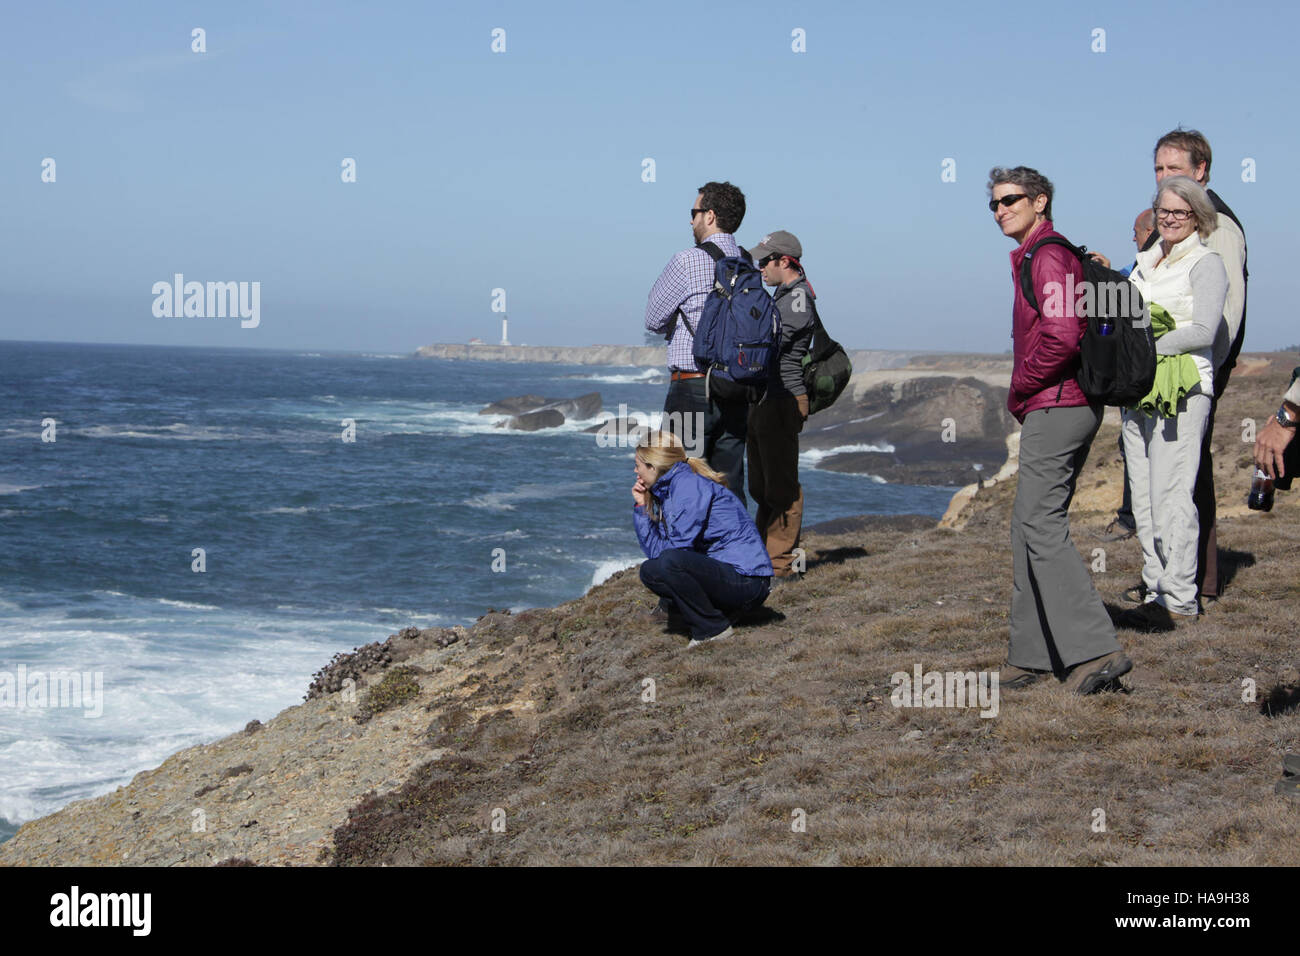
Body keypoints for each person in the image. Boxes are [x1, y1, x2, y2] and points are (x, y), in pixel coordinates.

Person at [987, 166, 1132, 694]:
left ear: (1040, 201)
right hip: (1060, 403)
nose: (1001, 209)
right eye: (995, 203)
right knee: (1027, 525)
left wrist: (1020, 386)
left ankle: (1095, 651)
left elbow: (1063, 335)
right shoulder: (1037, 254)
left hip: (1058, 404)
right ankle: (1032, 654)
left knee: (1041, 526)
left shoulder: (1047, 254)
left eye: (1011, 200)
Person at [1116, 176, 1227, 632]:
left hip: (1183, 389)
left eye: (1181, 213)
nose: (1171, 219)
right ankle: (1155, 587)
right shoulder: (1144, 263)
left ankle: (1180, 598)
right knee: (1143, 494)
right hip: (1138, 389)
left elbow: (1204, 330)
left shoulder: (1207, 263)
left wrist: (1147, 346)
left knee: (1172, 493)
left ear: (1197, 217)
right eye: (1164, 211)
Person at [1150, 130, 1248, 603]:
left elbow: (1223, 316)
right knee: (1171, 476)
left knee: (1188, 474)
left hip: (1193, 368)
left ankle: (1198, 583)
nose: (1164, 177)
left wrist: (1206, 372)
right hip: (1166, 369)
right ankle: (1174, 578)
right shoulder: (1168, 226)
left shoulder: (1219, 228)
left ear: (1201, 170)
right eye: (1159, 169)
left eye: (1175, 168)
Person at [644, 181, 752, 505]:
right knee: (728, 484)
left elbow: (652, 318)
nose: (690, 221)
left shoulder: (686, 261)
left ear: (710, 215)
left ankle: (683, 555)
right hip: (736, 388)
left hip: (691, 388)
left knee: (679, 481)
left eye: (694, 213)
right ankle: (733, 553)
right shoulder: (749, 263)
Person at [633, 431, 772, 647]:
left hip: (749, 581)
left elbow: (676, 552)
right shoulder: (671, 489)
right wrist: (642, 507)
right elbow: (658, 555)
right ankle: (712, 613)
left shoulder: (687, 487)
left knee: (670, 563)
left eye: (638, 465)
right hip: (730, 575)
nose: (636, 471)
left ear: (653, 466)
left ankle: (711, 629)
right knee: (650, 571)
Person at [745, 230, 814, 579]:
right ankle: (765, 555)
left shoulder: (799, 299)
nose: (760, 268)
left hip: (783, 399)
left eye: (765, 261)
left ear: (784, 261)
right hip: (765, 398)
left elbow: (769, 341)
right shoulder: (783, 296)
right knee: (761, 485)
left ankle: (781, 564)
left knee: (783, 486)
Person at [1096, 207, 1160, 544]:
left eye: (1135, 231)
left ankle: (1133, 518)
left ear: (1149, 231)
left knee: (1142, 449)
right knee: (1131, 447)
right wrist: (1106, 273)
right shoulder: (1138, 267)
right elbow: (1123, 286)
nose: (1132, 238)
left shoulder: (1155, 264)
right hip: (1136, 375)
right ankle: (1133, 516)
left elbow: (1129, 295)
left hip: (1144, 376)